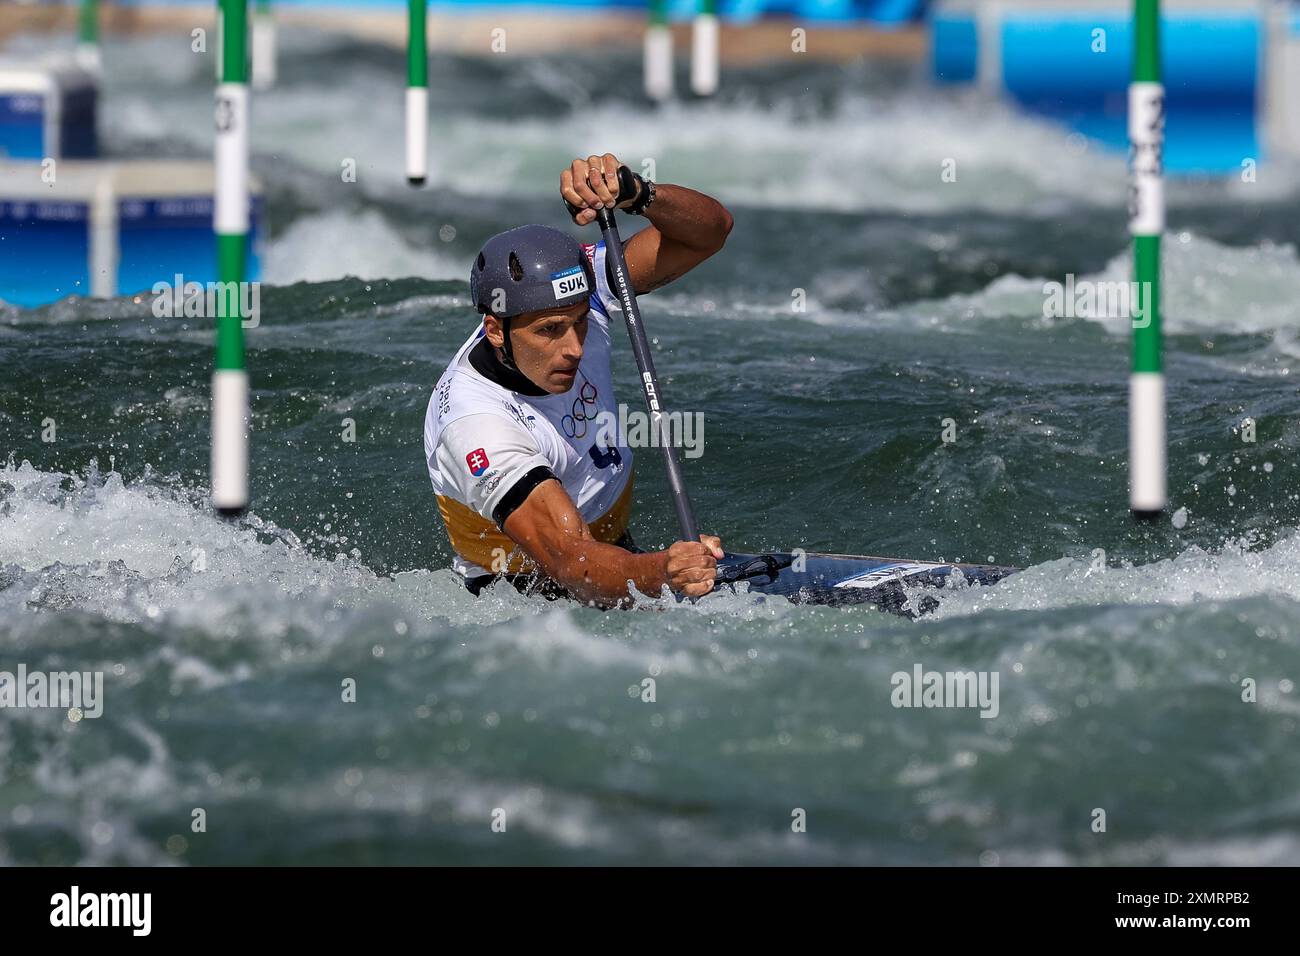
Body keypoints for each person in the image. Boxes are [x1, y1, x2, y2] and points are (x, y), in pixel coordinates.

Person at [423, 153, 733, 607]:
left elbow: (710, 232)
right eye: (549, 331)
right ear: (496, 330)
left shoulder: (583, 289)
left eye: (581, 321)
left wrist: (638, 194)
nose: (573, 347)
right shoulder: (476, 423)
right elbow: (571, 562)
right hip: (531, 603)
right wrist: (663, 571)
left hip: (620, 562)